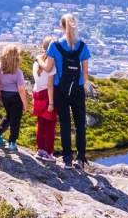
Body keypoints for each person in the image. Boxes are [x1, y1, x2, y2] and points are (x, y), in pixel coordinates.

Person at [48, 13, 92, 168]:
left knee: (65, 123)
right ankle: (80, 159)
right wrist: (82, 85)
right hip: (77, 89)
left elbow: (48, 68)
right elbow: (85, 74)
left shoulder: (54, 46)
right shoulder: (82, 46)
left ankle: (67, 158)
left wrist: (39, 60)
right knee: (80, 124)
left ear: (61, 26)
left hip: (60, 89)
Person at [0, 43, 27, 151]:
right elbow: (21, 90)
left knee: (9, 116)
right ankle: (12, 142)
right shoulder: (18, 72)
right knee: (15, 120)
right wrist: (25, 104)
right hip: (16, 97)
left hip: (5, 95)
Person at [31, 37, 58, 160]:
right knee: (50, 126)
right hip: (47, 96)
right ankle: (48, 152)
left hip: (37, 94)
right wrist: (52, 103)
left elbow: (36, 82)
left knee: (41, 124)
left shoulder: (36, 62)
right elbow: (50, 85)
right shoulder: (51, 66)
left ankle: (40, 149)